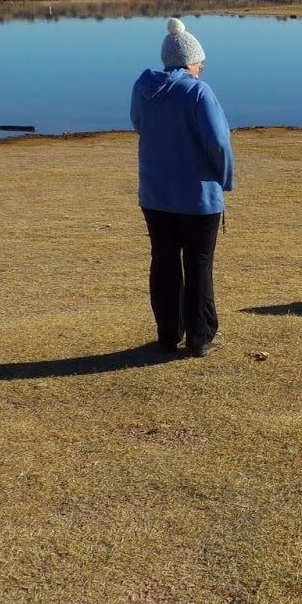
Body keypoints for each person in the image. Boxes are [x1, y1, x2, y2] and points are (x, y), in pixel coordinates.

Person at [130, 18, 235, 356]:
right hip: (197, 197)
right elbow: (218, 142)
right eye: (200, 64)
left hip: (155, 194)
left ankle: (167, 335)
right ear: (191, 61)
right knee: (198, 264)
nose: (201, 69)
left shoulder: (142, 88)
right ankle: (200, 337)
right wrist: (225, 179)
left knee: (163, 262)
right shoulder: (197, 91)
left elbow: (138, 124)